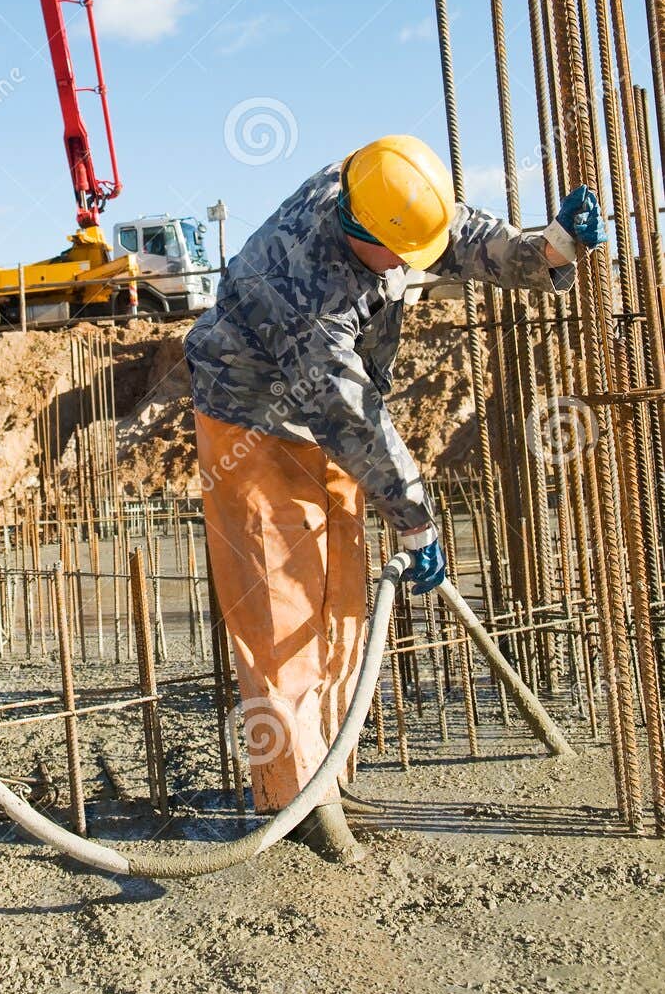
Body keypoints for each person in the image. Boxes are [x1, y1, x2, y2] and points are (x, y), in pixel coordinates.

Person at [184, 133, 605, 864]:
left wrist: (549, 250)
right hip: (249, 419)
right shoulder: (303, 286)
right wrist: (413, 519)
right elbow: (348, 413)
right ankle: (295, 798)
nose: (414, 267)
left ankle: (330, 774)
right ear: (357, 234)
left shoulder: (385, 190)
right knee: (281, 611)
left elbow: (463, 239)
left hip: (327, 426)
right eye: (399, 256)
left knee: (341, 605)